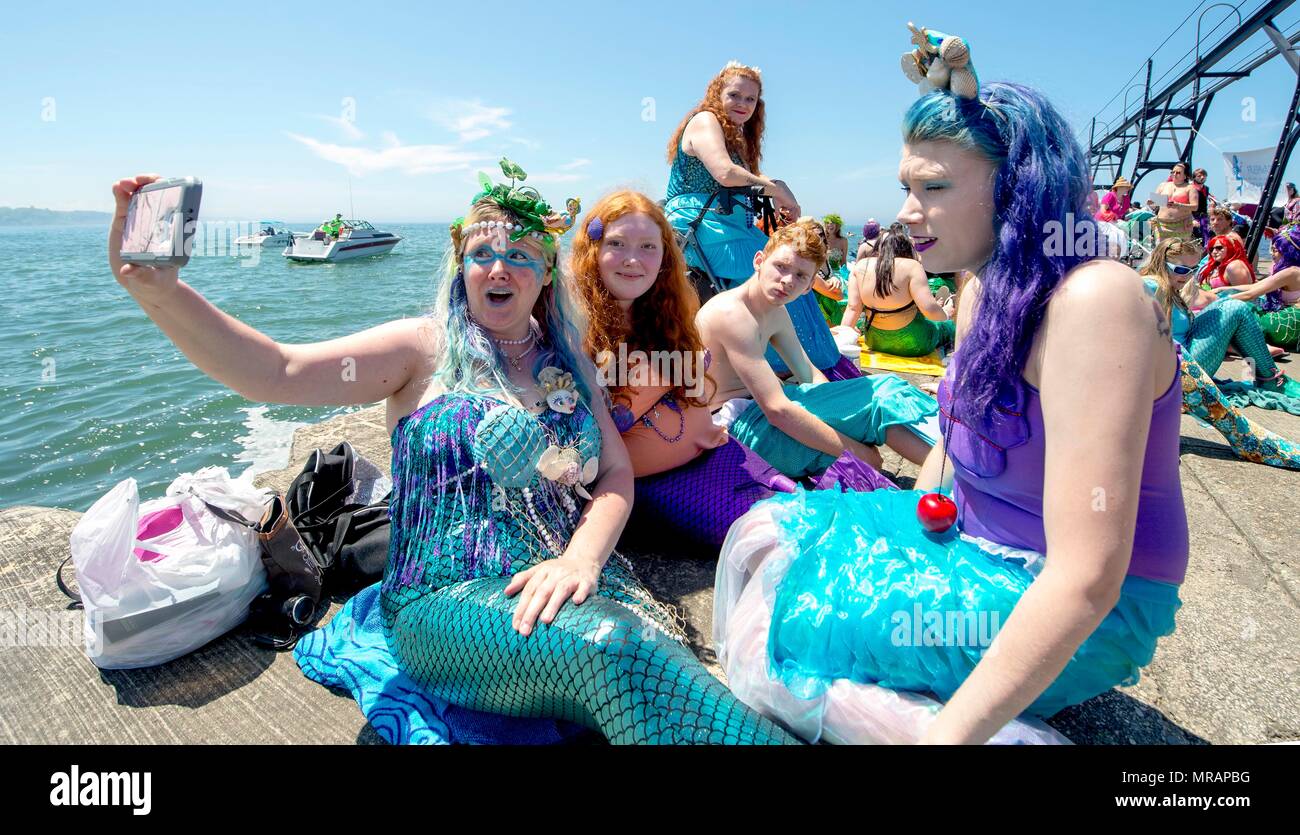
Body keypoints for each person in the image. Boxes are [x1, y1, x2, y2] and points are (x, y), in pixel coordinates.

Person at [107, 166, 795, 745]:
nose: (500, 267)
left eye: (521, 253)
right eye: (482, 253)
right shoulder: (421, 350)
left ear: (544, 273)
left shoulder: (571, 361)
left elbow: (615, 472)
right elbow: (277, 372)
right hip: (441, 602)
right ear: (461, 263)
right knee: (615, 651)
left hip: (562, 576)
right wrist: (161, 292)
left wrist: (583, 556)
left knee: (667, 671)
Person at [714, 44, 1188, 745]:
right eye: (907, 187)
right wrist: (900, 526)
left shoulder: (1096, 301)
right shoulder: (981, 289)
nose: (907, 212)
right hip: (972, 539)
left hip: (1069, 595)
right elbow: (958, 449)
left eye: (933, 188)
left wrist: (951, 738)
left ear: (1018, 188)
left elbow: (1087, 576)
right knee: (774, 536)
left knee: (783, 631)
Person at [568, 188, 797, 552]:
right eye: (617, 244)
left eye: (648, 246)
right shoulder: (573, 326)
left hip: (717, 450)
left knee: (805, 507)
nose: (633, 260)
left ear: (663, 257)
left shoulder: (663, 311)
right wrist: (663, 379)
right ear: (593, 249)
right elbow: (591, 426)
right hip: (662, 487)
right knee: (777, 538)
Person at [696, 217, 936, 478]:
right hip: (737, 430)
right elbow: (777, 410)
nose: (787, 280)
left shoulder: (774, 311)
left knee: (876, 400)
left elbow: (808, 374)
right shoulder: (733, 314)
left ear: (810, 286)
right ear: (759, 261)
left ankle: (951, 473)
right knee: (880, 397)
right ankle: (957, 473)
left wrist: (844, 416)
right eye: (780, 266)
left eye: (800, 275)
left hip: (760, 418)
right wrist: (856, 451)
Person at [663, 61, 851, 380]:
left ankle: (810, 365)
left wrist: (778, 186)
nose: (743, 104)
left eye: (751, 99)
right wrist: (776, 191)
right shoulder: (705, 121)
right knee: (772, 270)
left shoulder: (735, 134)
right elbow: (724, 172)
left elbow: (750, 176)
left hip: (728, 223)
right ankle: (788, 367)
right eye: (735, 95)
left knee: (789, 266)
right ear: (716, 93)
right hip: (700, 224)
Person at [1141, 238, 1300, 459]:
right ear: (1160, 261)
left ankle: (1269, 374)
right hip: (1180, 370)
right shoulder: (1151, 285)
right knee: (1234, 308)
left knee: (1229, 306)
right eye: (1180, 269)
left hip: (1184, 359)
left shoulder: (1171, 286)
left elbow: (1209, 299)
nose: (1186, 275)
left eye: (1192, 269)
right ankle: (1271, 379)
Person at [842, 222, 954, 357]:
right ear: (907, 248)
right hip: (915, 342)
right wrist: (946, 313)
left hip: (874, 340)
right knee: (947, 326)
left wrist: (843, 341)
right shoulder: (912, 266)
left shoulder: (860, 266)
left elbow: (853, 308)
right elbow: (930, 311)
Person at [1229, 225, 1300, 352]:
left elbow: (1251, 294)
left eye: (1275, 250)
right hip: (1290, 321)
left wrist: (1220, 300)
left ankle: (1261, 349)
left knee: (1245, 314)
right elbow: (1254, 286)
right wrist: (1221, 290)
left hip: (1291, 324)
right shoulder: (1291, 270)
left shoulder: (1291, 272)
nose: (1271, 254)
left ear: (1288, 251)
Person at [1153, 162, 1198, 243]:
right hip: (1162, 225)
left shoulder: (1190, 188)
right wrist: (1152, 201)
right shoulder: (1163, 185)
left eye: (1178, 173)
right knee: (1161, 251)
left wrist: (1178, 205)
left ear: (1185, 176)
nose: (1174, 174)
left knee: (1179, 252)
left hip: (1181, 225)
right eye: (1172, 172)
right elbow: (1154, 204)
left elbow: (1195, 207)